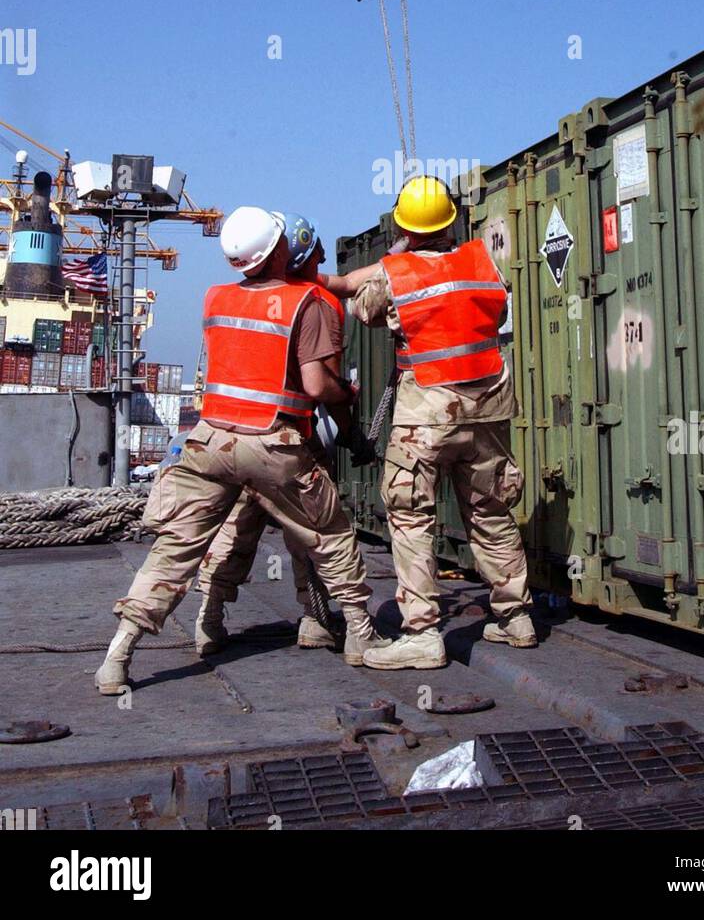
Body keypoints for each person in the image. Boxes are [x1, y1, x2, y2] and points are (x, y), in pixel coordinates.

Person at [94, 206, 387, 694]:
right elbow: (316, 385)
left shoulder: (216, 298)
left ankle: (121, 654)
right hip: (274, 441)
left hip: (209, 442)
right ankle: (361, 633)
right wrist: (346, 400)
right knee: (327, 532)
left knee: (177, 548)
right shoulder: (307, 302)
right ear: (280, 250)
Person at [348, 175, 536, 671]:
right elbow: (491, 317)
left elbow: (362, 309)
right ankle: (516, 617)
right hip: (489, 408)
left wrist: (394, 258)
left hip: (426, 416)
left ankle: (422, 633)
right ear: (452, 222)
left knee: (411, 517)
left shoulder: (396, 271)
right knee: (491, 510)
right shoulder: (483, 261)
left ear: (406, 228)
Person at [194, 213, 375, 655]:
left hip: (228, 437)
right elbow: (324, 387)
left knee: (236, 528)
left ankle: (209, 618)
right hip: (289, 439)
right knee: (316, 531)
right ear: (309, 253)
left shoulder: (233, 298)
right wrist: (351, 432)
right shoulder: (315, 303)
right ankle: (323, 621)